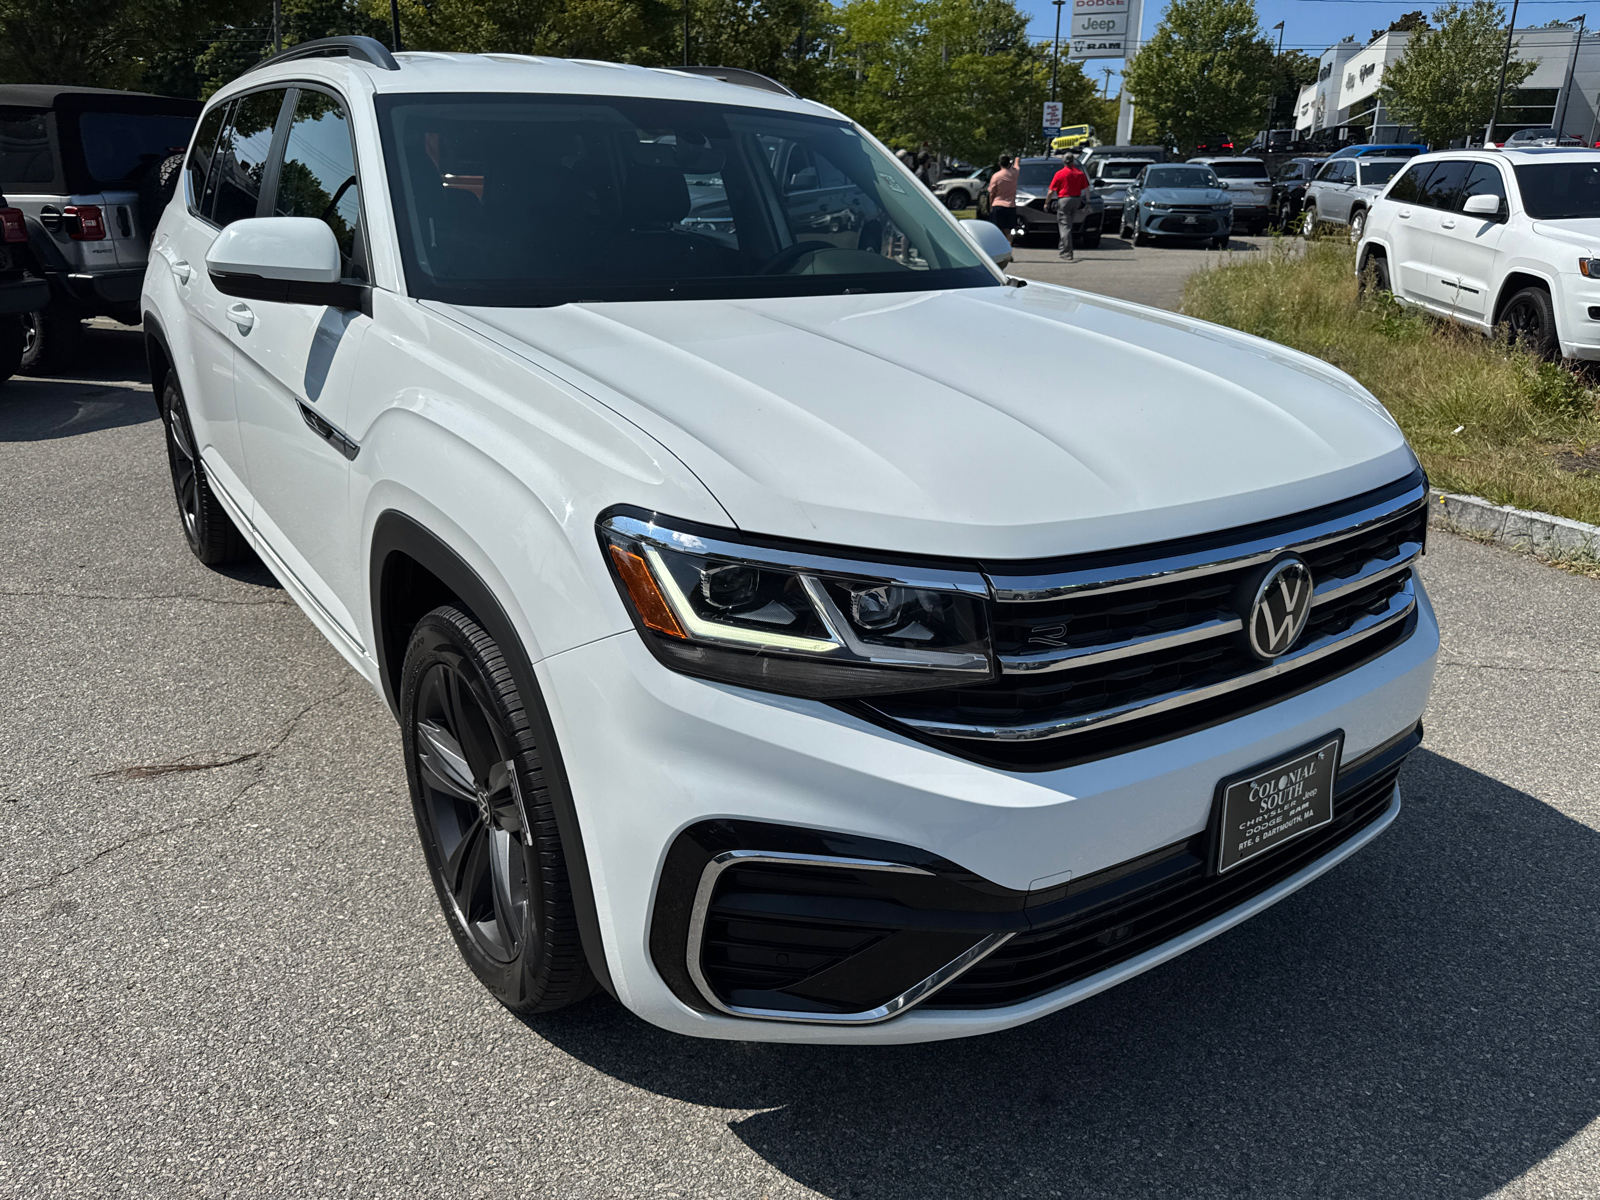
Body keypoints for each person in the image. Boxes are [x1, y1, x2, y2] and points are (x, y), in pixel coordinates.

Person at [1048, 151, 1090, 261]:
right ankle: (1063, 248)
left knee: (1064, 226)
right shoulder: (1080, 173)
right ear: (1073, 161)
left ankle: (1067, 252)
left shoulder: (1060, 174)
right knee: (1068, 225)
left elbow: (1051, 191)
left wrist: (1047, 202)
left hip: (1064, 200)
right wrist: (1087, 202)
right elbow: (1086, 189)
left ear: (1063, 161)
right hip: (1076, 200)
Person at [988, 154, 1018, 239]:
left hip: (998, 204)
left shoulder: (996, 176)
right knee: (1008, 230)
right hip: (1011, 205)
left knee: (997, 230)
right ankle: (1009, 244)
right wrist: (1017, 159)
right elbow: (1017, 166)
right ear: (1009, 164)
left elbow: (992, 193)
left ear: (999, 163)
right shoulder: (1014, 174)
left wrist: (991, 204)